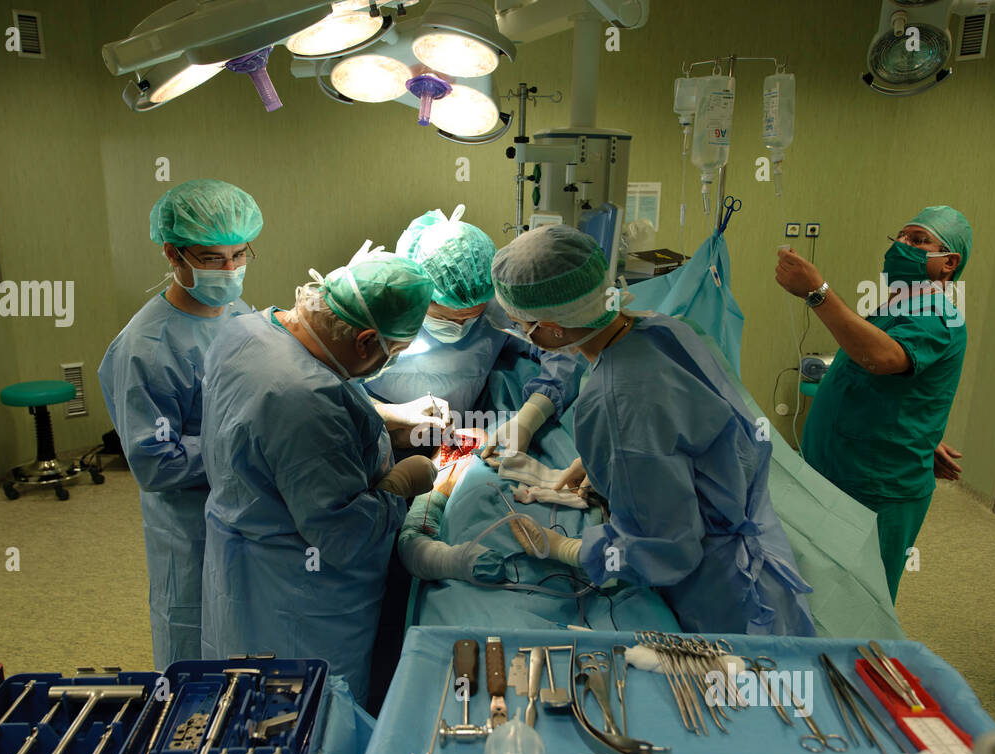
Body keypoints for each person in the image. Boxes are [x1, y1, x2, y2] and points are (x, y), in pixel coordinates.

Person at [494, 225, 816, 636]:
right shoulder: (663, 328)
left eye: (524, 324)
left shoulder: (614, 401)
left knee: (750, 695)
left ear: (553, 327)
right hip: (761, 548)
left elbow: (669, 549)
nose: (525, 334)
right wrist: (612, 467)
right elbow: (701, 436)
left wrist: (572, 549)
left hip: (724, 596)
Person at [200, 250, 437, 705]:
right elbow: (343, 534)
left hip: (244, 558)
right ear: (366, 341)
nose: (387, 362)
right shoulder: (307, 400)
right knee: (311, 718)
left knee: (247, 693)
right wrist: (402, 482)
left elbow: (271, 427)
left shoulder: (246, 328)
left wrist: (378, 417)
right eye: (394, 351)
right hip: (303, 591)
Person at [98, 178, 263, 669]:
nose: (230, 270)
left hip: (242, 510)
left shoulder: (235, 310)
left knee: (244, 633)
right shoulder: (147, 347)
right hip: (189, 526)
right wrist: (242, 448)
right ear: (173, 255)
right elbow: (155, 463)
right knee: (192, 636)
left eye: (240, 255)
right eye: (212, 259)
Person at [776, 205, 972, 601]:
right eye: (900, 237)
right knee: (821, 588)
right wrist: (922, 431)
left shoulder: (938, 316)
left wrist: (818, 293)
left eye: (918, 241)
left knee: (859, 599)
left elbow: (879, 359)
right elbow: (897, 382)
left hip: (876, 486)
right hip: (840, 471)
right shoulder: (899, 306)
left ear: (948, 263)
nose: (902, 246)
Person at [361, 207, 582, 459]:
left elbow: (561, 346)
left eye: (471, 318)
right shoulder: (377, 304)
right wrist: (389, 416)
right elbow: (333, 388)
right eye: (444, 317)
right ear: (418, 291)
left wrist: (530, 417)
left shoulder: (492, 301)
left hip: (457, 434)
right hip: (373, 437)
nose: (459, 327)